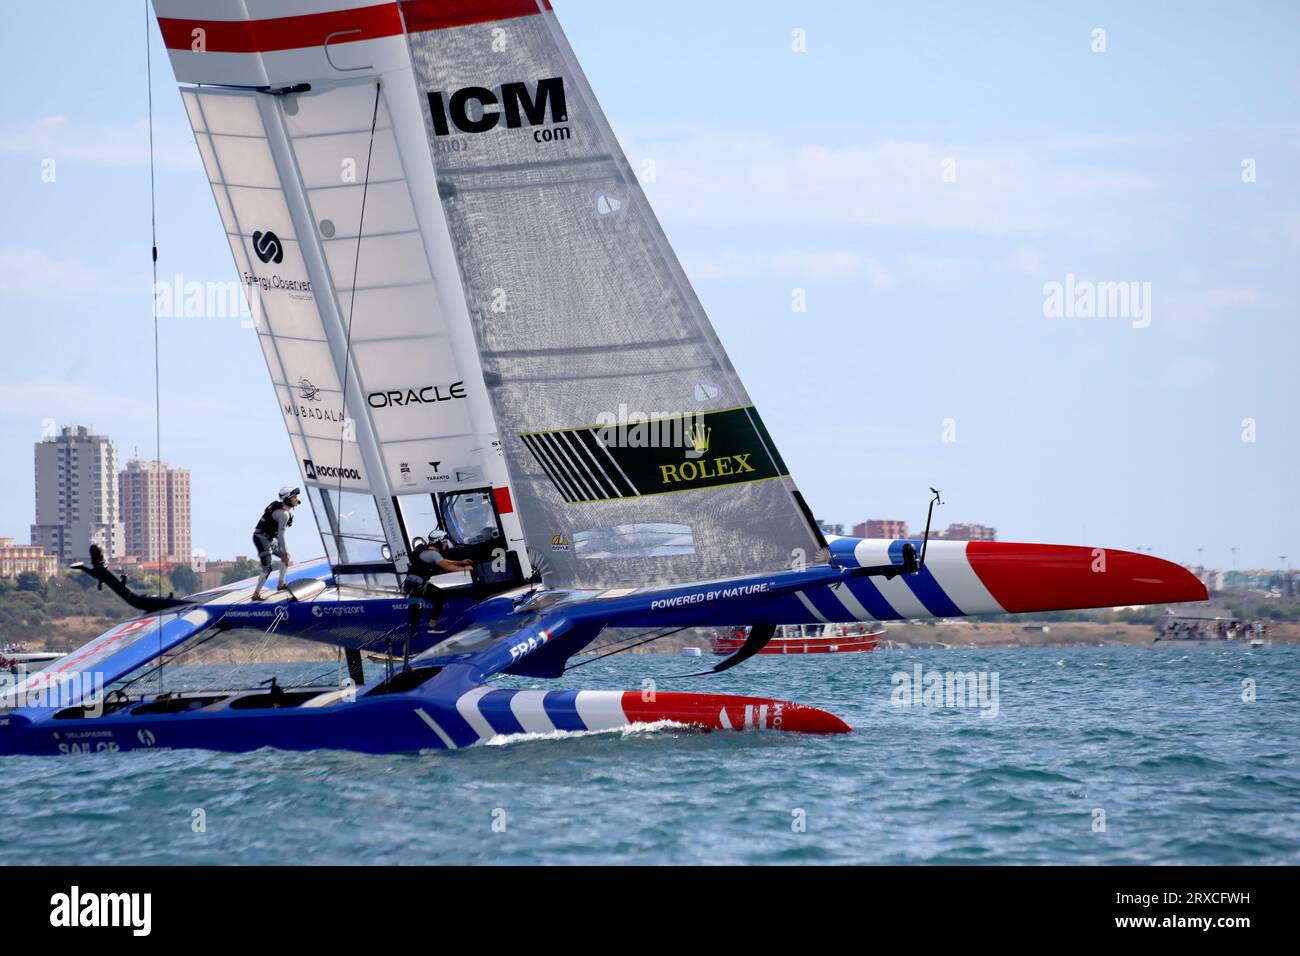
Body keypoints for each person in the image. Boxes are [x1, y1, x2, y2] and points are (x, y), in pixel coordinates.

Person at [401, 529, 474, 665]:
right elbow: (447, 567)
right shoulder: (432, 554)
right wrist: (465, 569)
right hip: (414, 589)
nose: (446, 545)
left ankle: (432, 625)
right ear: (439, 542)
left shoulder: (429, 552)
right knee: (415, 618)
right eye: (445, 542)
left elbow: (443, 560)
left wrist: (461, 562)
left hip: (421, 585)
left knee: (441, 594)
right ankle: (406, 650)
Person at [251, 486, 300, 601]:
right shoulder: (284, 514)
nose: (296, 499)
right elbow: (281, 536)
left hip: (268, 538)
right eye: (294, 497)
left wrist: (285, 553)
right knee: (268, 568)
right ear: (287, 499)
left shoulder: (282, 509)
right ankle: (256, 594)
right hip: (261, 538)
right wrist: (285, 552)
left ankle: (281, 584)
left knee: (286, 557)